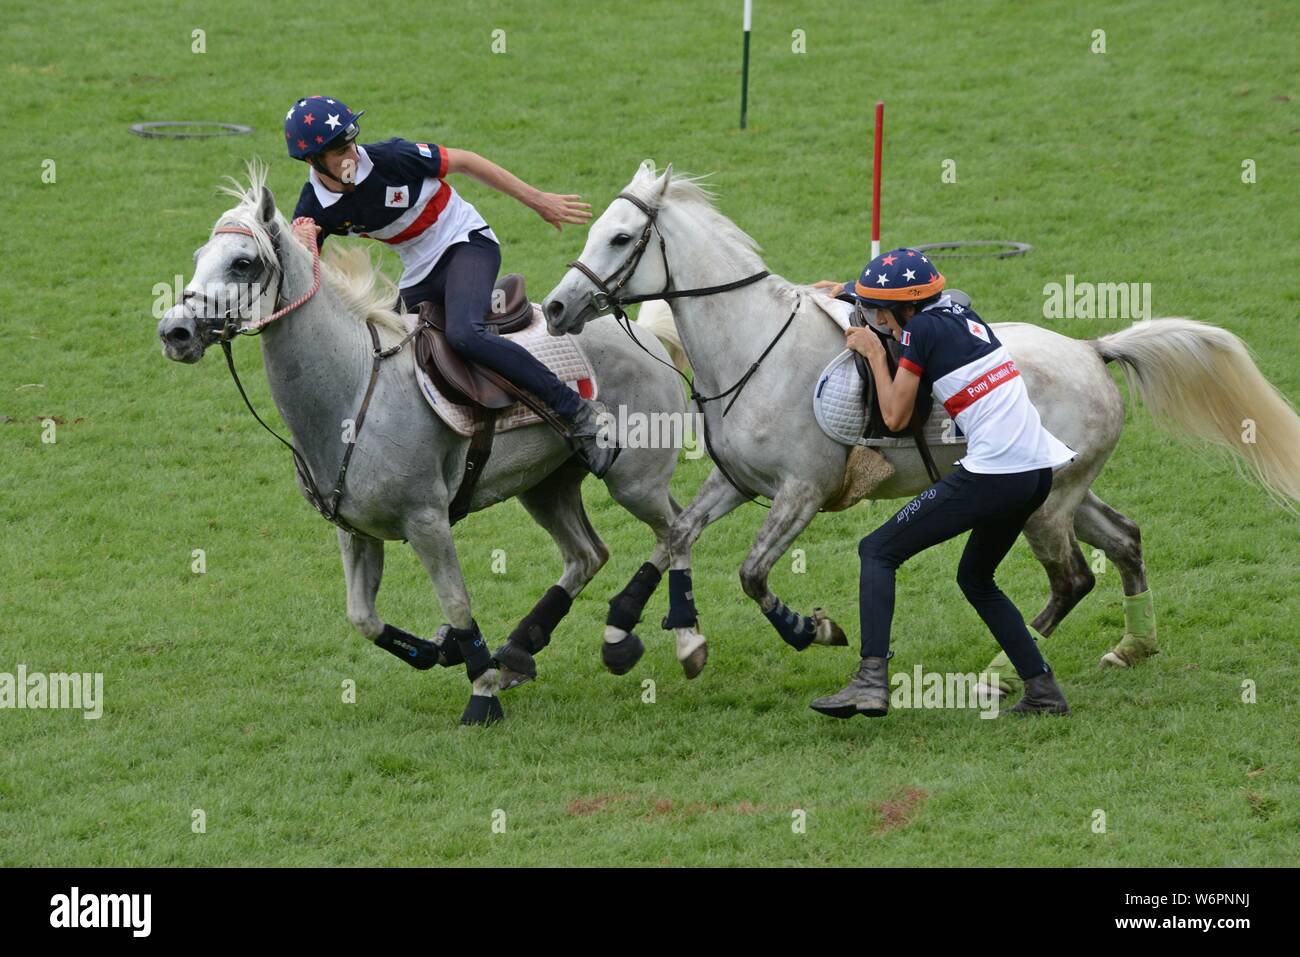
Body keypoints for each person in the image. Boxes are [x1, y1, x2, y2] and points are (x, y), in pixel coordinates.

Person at [283, 95, 617, 476]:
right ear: (312, 161)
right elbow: (305, 282)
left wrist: (538, 200)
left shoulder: (391, 157)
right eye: (341, 151)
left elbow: (465, 161)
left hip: (466, 241)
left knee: (464, 335)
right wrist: (303, 249)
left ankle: (577, 412)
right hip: (419, 272)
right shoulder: (313, 209)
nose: (353, 155)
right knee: (396, 358)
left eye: (352, 143)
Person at [809, 248, 1077, 719]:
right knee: (975, 578)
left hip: (994, 476)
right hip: (1035, 473)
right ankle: (1044, 691)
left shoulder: (916, 332)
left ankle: (870, 681)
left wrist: (874, 353)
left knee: (878, 551)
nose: (875, 321)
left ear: (905, 310)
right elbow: (909, 311)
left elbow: (894, 417)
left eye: (877, 313)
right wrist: (848, 292)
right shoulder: (954, 310)